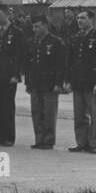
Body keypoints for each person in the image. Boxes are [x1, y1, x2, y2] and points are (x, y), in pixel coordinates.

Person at [66, 10, 96, 154]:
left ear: (91, 19)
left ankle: (94, 143)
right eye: (78, 18)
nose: (79, 21)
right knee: (79, 115)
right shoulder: (75, 38)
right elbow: (71, 61)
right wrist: (69, 81)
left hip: (92, 83)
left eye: (83, 18)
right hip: (78, 82)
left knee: (95, 115)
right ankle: (81, 142)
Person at [0, 5, 25, 145]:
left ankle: (9, 137)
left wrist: (16, 74)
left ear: (7, 15)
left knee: (7, 106)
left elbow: (18, 55)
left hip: (9, 75)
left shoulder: (16, 32)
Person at [25, 14, 67, 149]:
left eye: (37, 26)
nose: (34, 29)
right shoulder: (32, 42)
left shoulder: (56, 42)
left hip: (50, 83)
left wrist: (58, 83)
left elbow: (60, 65)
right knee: (36, 112)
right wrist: (28, 82)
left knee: (49, 113)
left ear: (45, 25)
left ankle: (48, 140)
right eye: (33, 26)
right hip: (35, 82)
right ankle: (39, 139)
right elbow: (28, 64)